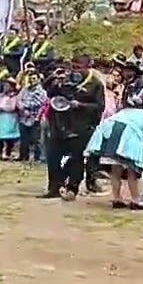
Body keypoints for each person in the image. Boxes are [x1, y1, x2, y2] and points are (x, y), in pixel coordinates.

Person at [85, 99, 143, 210]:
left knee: (116, 169)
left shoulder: (131, 111)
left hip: (109, 132)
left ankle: (117, 198)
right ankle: (136, 200)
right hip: (128, 136)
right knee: (133, 172)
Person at [42, 55, 105, 200]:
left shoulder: (95, 84)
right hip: (60, 124)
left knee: (76, 159)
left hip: (82, 126)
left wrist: (80, 105)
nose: (75, 71)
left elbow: (100, 107)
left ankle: (72, 188)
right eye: (73, 67)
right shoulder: (65, 79)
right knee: (53, 157)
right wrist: (53, 78)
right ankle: (54, 188)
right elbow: (48, 92)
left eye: (78, 68)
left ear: (88, 67)